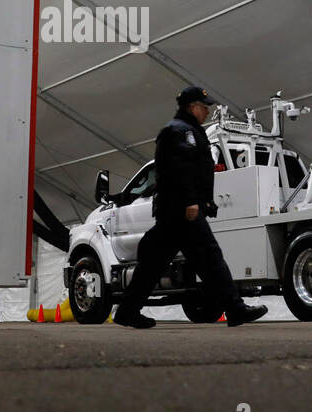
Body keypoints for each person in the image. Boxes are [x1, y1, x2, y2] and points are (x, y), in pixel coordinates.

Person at [113, 86, 268, 329]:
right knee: (210, 257)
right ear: (192, 106)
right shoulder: (178, 131)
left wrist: (206, 200)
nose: (207, 111)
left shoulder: (190, 131)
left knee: (157, 261)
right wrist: (190, 201)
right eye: (204, 107)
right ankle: (235, 308)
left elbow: (198, 171)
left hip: (177, 211)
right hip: (180, 210)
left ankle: (127, 310)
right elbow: (177, 170)